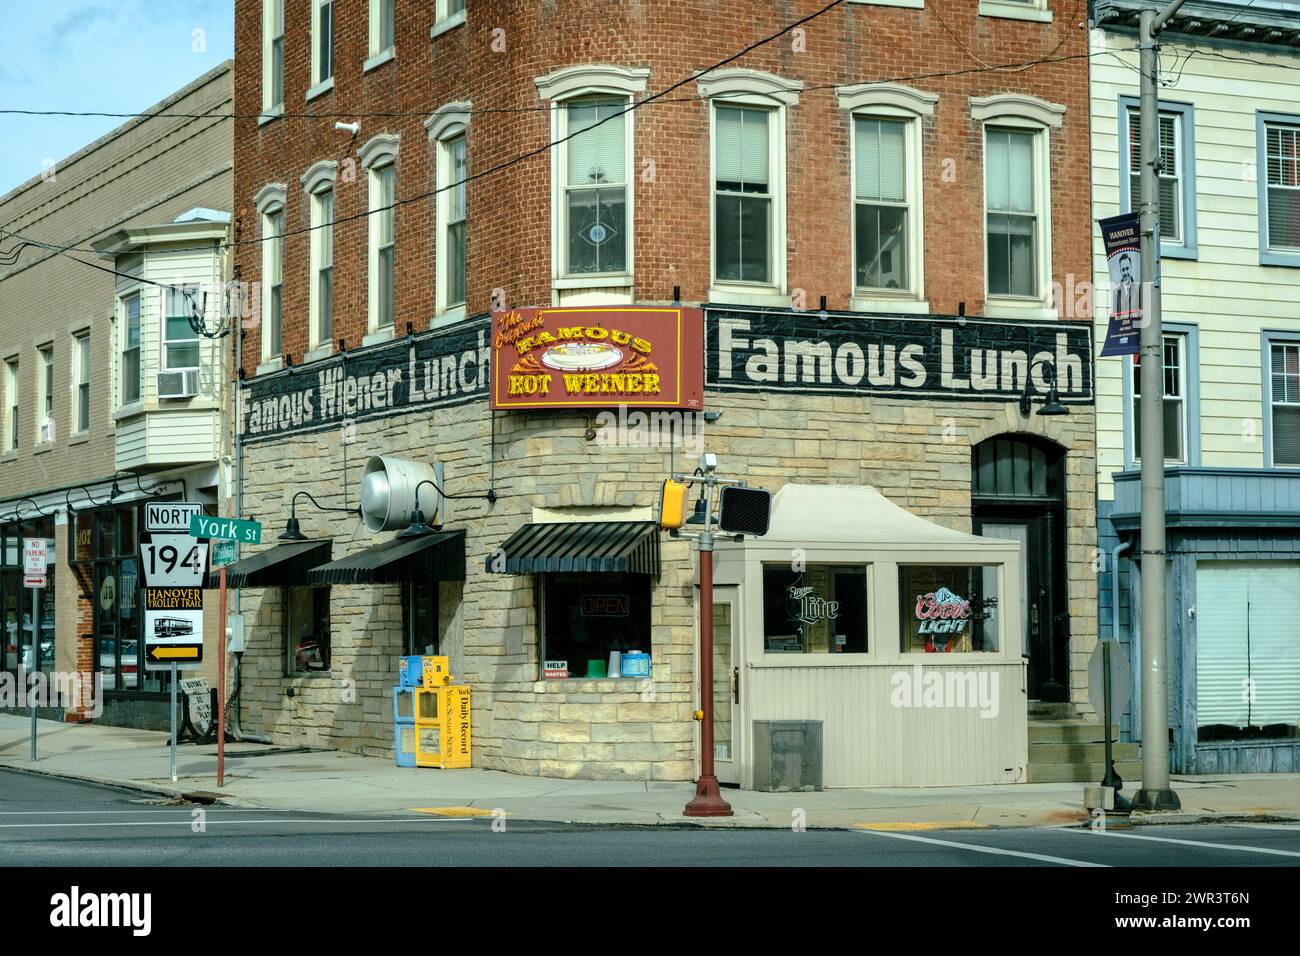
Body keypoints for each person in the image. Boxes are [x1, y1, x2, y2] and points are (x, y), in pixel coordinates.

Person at [1113, 252, 1141, 319]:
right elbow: (1114, 317)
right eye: (1123, 269)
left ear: (1131, 268)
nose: (1125, 272)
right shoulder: (1116, 293)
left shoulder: (1139, 289)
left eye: (1127, 268)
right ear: (1120, 271)